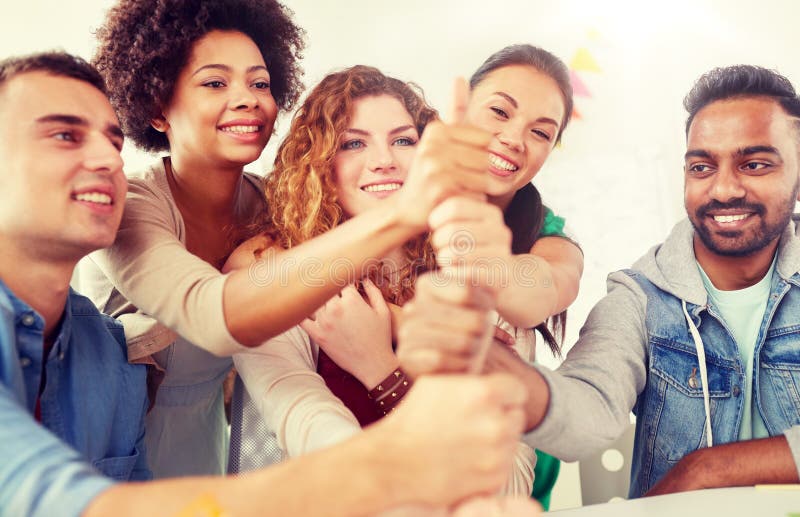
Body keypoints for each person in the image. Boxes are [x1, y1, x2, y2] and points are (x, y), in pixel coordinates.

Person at [0, 50, 535, 517]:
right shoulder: (259, 268)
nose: (105, 157)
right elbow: (222, 320)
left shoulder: (107, 359)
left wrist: (388, 357)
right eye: (64, 135)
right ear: (319, 163)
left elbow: (508, 468)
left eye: (403, 139)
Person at [80, 0, 491, 478]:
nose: (248, 99)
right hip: (108, 450)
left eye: (260, 83)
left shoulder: (276, 207)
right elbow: (217, 315)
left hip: (206, 451)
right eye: (215, 82)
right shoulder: (129, 208)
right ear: (155, 108)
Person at [399, 64, 800, 498]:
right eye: (701, 167)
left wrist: (708, 469)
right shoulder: (640, 297)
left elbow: (542, 282)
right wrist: (491, 365)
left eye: (755, 164)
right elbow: (585, 409)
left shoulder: (550, 237)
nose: (724, 189)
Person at [229, 65, 536, 494]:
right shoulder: (279, 278)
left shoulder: (485, 277)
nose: (384, 161)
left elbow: (507, 481)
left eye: (403, 140)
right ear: (319, 166)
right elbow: (320, 443)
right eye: (353, 143)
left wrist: (381, 369)